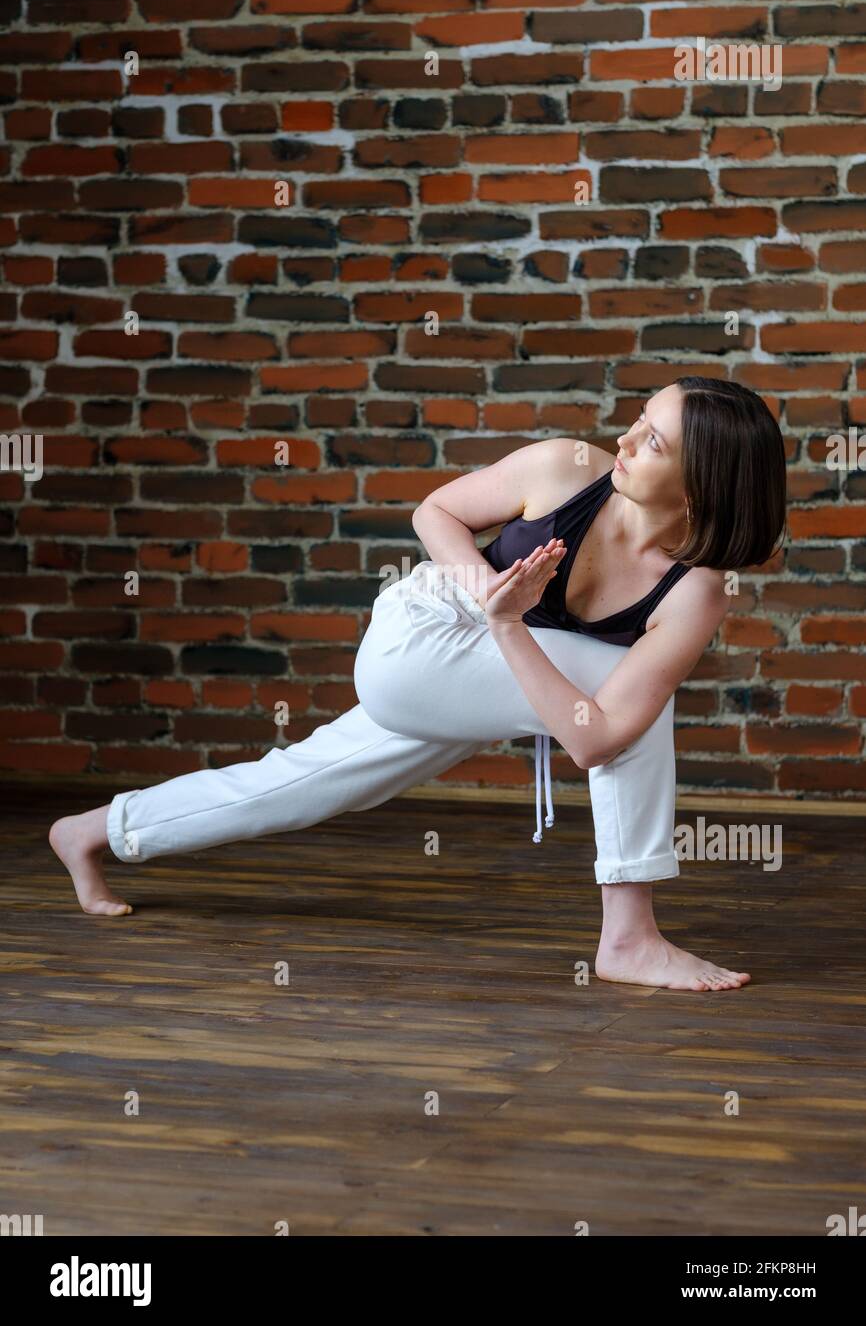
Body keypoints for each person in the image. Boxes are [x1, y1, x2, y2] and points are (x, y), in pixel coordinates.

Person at [49, 376, 787, 991]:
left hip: (484, 672)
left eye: (652, 442)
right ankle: (628, 938)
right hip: (422, 638)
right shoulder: (566, 467)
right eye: (636, 421)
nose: (624, 441)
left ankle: (96, 832)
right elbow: (435, 510)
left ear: (702, 484)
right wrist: (493, 601)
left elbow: (592, 745)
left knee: (302, 783)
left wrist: (510, 630)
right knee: (625, 698)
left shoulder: (695, 592)